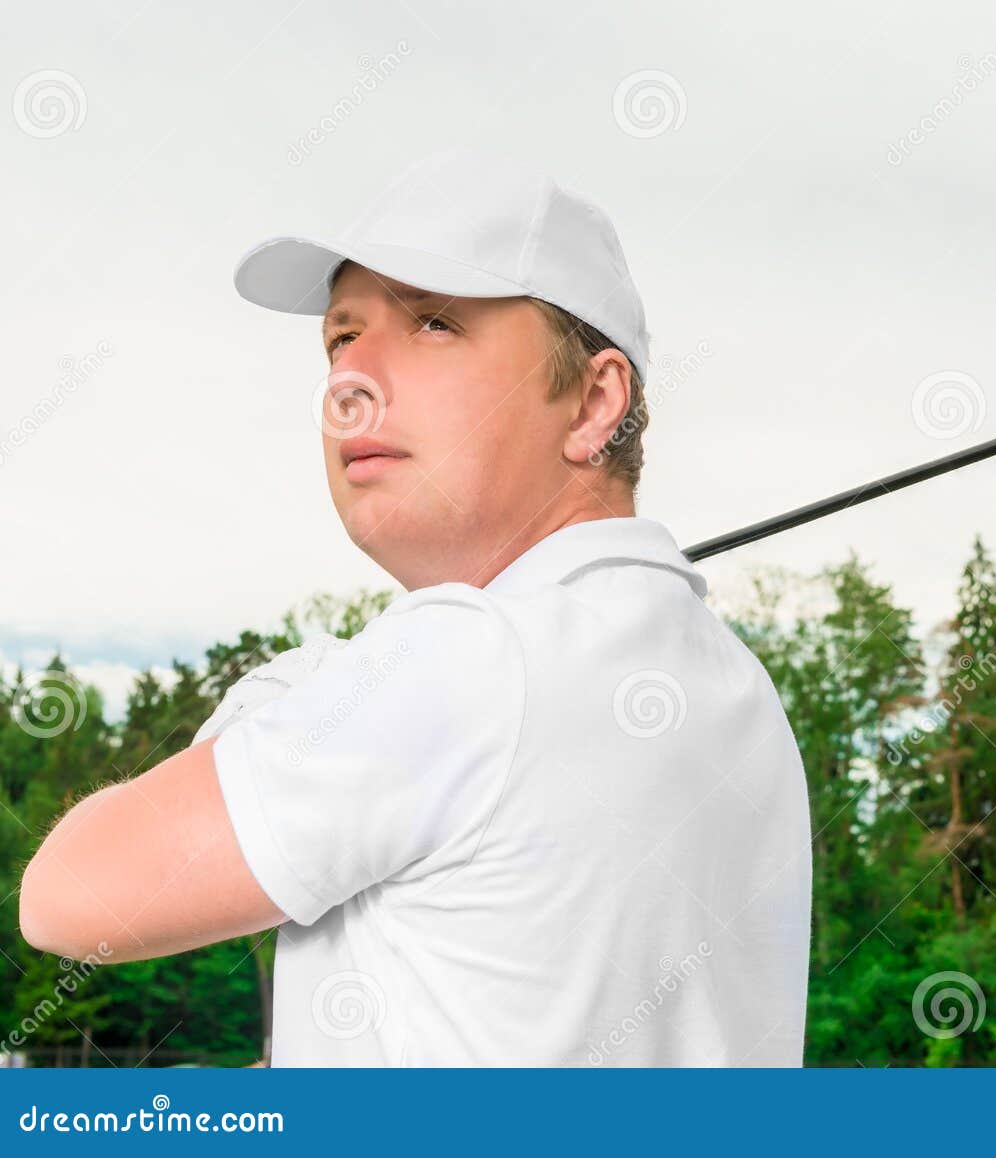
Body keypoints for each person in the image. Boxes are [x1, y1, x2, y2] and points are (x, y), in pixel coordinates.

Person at [19, 150, 814, 1067]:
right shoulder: (740, 693)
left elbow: (70, 895)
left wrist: (305, 675)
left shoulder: (461, 661)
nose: (351, 380)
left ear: (595, 403)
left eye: (434, 323)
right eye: (340, 339)